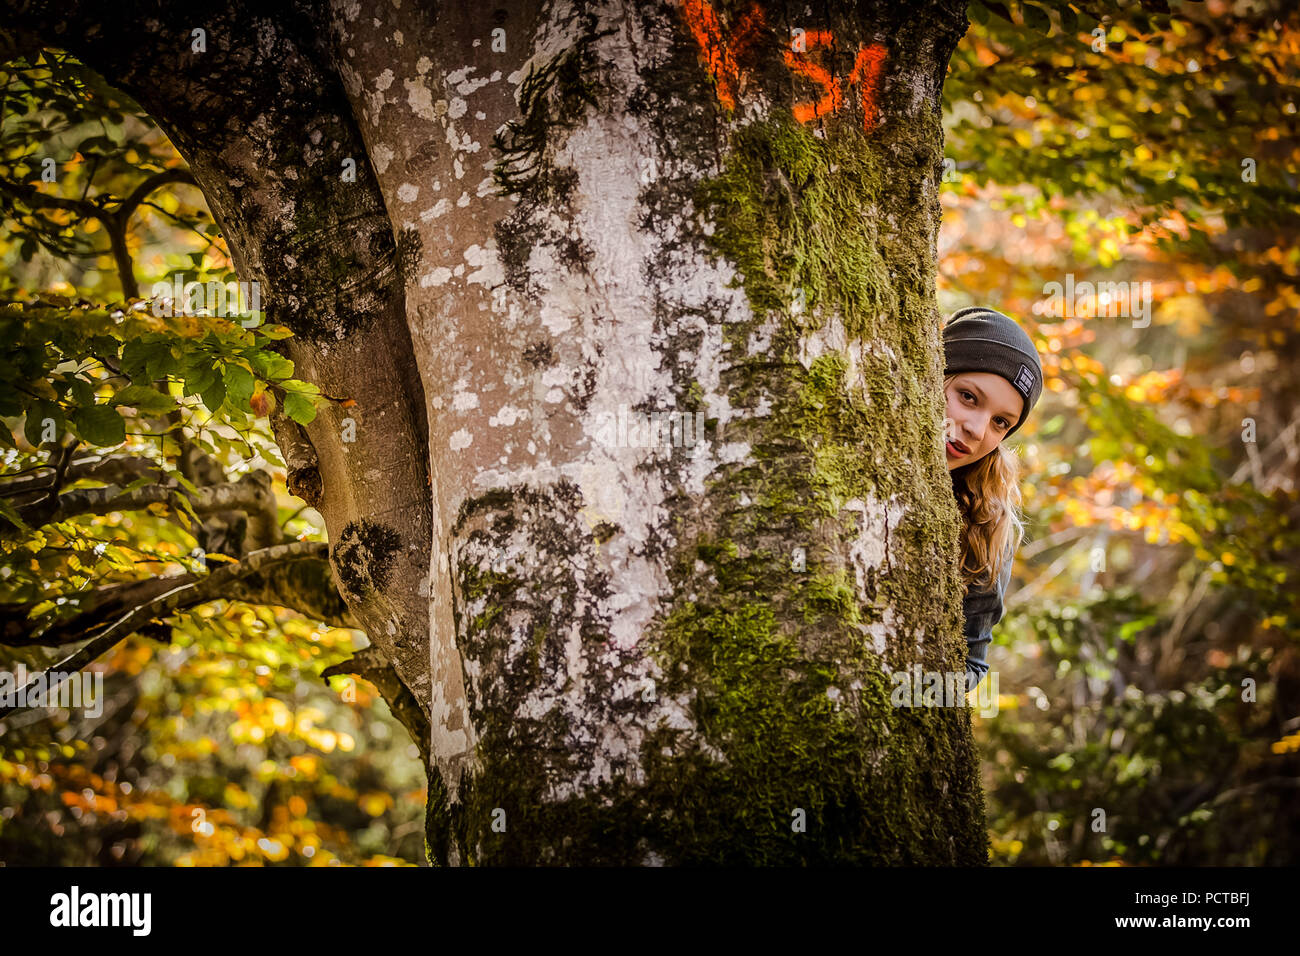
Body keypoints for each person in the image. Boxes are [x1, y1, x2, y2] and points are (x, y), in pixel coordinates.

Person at [940, 306, 1043, 694]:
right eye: (968, 397)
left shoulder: (989, 521)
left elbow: (971, 662)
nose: (977, 429)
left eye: (1001, 422)